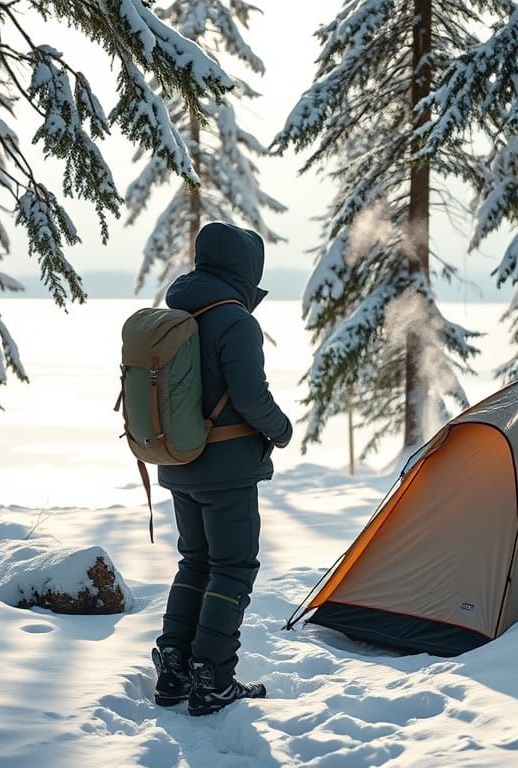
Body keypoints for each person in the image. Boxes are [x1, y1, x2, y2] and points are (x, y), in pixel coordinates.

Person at [151, 222, 293, 716]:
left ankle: (174, 667)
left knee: (195, 563)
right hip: (227, 470)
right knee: (232, 568)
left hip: (179, 462)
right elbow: (251, 396)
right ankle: (212, 677)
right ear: (244, 268)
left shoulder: (178, 312)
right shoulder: (235, 320)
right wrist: (281, 429)